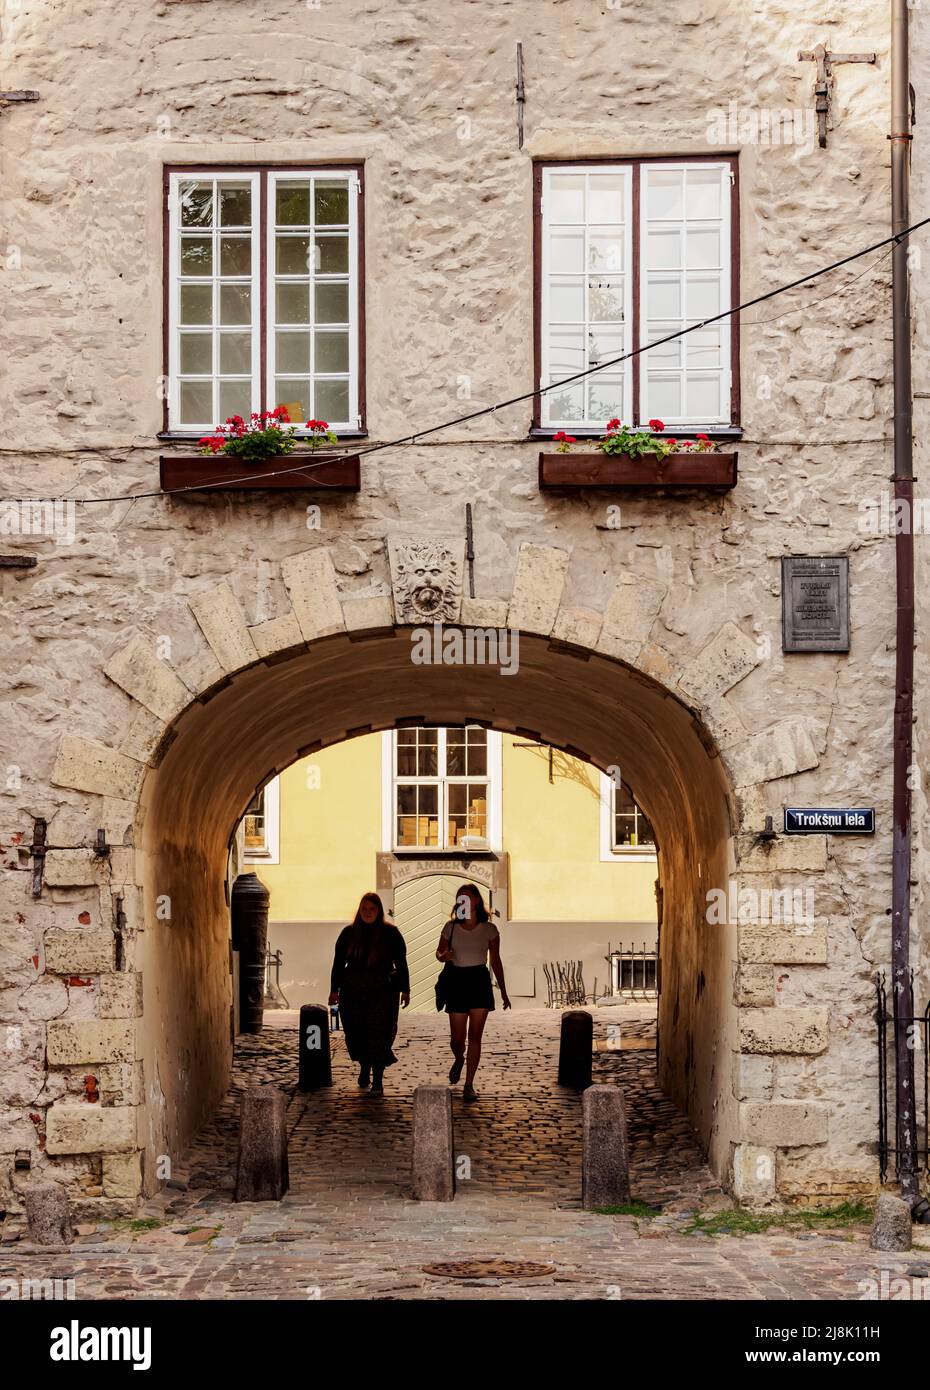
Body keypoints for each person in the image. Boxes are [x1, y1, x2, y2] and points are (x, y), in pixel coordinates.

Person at [435, 882, 510, 1102]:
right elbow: (439, 953)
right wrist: (444, 956)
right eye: (459, 898)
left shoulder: (489, 930)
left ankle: (469, 1084)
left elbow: (495, 961)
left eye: (466, 897)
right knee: (457, 1040)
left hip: (479, 980)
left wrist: (504, 992)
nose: (463, 901)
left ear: (476, 900)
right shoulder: (450, 927)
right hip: (457, 980)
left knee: (474, 1036)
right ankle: (459, 1057)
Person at [329, 892, 409, 1095]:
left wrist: (405, 989)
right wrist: (334, 990)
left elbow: (401, 964)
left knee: (379, 1035)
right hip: (353, 992)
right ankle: (364, 1067)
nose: (368, 913)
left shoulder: (391, 934)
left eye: (372, 909)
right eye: (364, 908)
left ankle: (378, 1080)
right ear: (359, 910)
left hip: (382, 993)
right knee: (356, 1033)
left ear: (379, 910)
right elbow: (338, 964)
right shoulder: (348, 933)